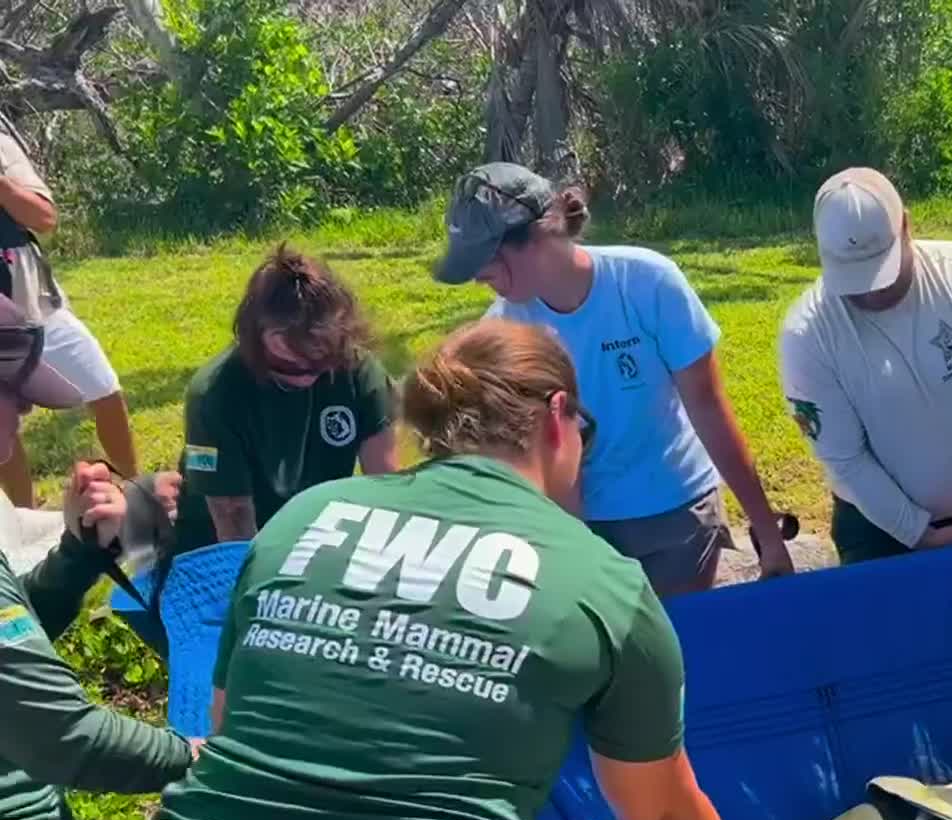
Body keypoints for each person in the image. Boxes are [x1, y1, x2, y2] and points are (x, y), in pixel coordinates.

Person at [100, 318, 809, 820]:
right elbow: (659, 818)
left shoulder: (307, 517)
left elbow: (227, 723)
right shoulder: (603, 581)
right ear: (558, 415)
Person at [432, 163, 794, 596]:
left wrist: (766, 531)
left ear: (535, 237)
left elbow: (708, 406)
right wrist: (567, 546)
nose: (476, 277)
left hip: (676, 515)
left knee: (680, 636)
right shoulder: (503, 331)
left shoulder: (648, 282)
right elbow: (521, 457)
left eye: (483, 260)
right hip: (580, 529)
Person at [0, 294, 195, 820]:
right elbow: (63, 738)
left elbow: (12, 636)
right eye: (12, 395)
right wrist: (201, 755)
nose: (24, 416)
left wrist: (78, 558)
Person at [778, 167, 952, 565]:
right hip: (878, 529)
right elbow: (846, 459)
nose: (871, 290)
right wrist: (918, 534)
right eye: (854, 277)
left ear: (907, 227)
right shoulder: (805, 335)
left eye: (881, 268)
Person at [171, 245, 399, 557]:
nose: (305, 375)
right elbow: (232, 521)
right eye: (287, 364)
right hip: (216, 548)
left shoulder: (358, 371)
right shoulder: (213, 395)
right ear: (253, 338)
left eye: (320, 362)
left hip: (313, 540)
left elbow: (386, 488)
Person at [0, 116, 139, 507]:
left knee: (104, 389)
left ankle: (135, 493)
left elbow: (44, 218)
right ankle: (23, 516)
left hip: (37, 307)